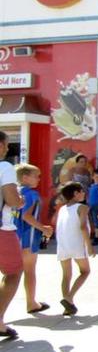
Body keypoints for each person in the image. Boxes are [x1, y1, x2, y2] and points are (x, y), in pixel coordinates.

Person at [14, 164, 53, 314]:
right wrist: (44, 228)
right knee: (28, 271)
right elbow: (27, 216)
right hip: (27, 237)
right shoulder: (31, 195)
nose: (39, 179)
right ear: (25, 177)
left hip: (12, 236)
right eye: (36, 176)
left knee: (12, 272)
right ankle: (31, 302)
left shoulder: (12, 192)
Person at [56, 182, 95, 316]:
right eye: (82, 191)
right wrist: (89, 245)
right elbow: (83, 226)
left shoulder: (62, 208)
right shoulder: (82, 207)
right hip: (77, 244)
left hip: (63, 245)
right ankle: (69, 298)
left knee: (66, 275)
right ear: (75, 193)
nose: (84, 193)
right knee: (85, 271)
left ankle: (68, 306)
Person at [0, 131, 24, 338]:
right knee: (13, 273)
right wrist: (20, 200)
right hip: (2, 230)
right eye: (6, 145)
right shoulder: (4, 167)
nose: (8, 149)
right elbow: (12, 200)